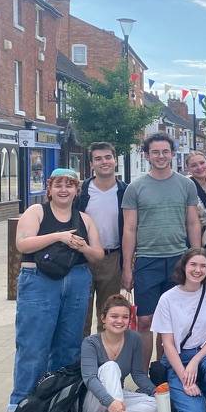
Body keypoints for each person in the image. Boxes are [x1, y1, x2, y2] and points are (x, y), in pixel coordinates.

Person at [7, 168, 104, 412]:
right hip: (39, 280)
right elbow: (23, 244)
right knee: (33, 344)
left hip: (76, 278)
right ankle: (20, 406)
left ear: (76, 190)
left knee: (68, 345)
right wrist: (60, 236)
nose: (64, 190)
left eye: (69, 185)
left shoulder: (85, 218)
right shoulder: (36, 212)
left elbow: (98, 254)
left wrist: (82, 246)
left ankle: (57, 403)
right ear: (49, 188)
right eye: (58, 185)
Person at [122, 133, 201, 368]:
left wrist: (197, 257)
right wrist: (127, 267)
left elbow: (193, 223)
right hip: (148, 259)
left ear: (172, 154)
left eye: (165, 152)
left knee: (171, 323)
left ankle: (163, 371)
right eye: (155, 152)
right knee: (145, 320)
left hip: (178, 258)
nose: (160, 156)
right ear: (147, 156)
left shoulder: (186, 185)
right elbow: (129, 228)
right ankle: (143, 374)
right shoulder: (135, 188)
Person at [150, 248, 206, 412]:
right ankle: (180, 398)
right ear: (184, 266)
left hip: (202, 354)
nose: (198, 270)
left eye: (203, 266)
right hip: (177, 359)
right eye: (193, 265)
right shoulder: (167, 299)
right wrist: (184, 377)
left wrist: (195, 361)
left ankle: (203, 392)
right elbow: (168, 344)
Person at [76, 294, 157, 412]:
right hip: (91, 400)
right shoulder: (90, 343)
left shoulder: (134, 339)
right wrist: (110, 403)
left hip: (115, 399)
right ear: (103, 318)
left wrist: (155, 391)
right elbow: (90, 379)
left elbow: (138, 374)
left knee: (155, 405)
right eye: (114, 316)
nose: (120, 321)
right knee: (110, 367)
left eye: (125, 317)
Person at [76, 142, 127, 335]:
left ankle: (104, 360)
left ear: (115, 160)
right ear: (91, 164)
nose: (103, 162)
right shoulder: (81, 192)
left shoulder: (125, 192)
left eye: (107, 157)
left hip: (112, 259)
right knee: (80, 313)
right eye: (98, 158)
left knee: (108, 314)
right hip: (83, 258)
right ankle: (79, 361)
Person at [187, 151, 206, 249]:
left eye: (202, 163)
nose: (199, 168)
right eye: (194, 165)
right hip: (194, 236)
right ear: (188, 169)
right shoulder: (186, 185)